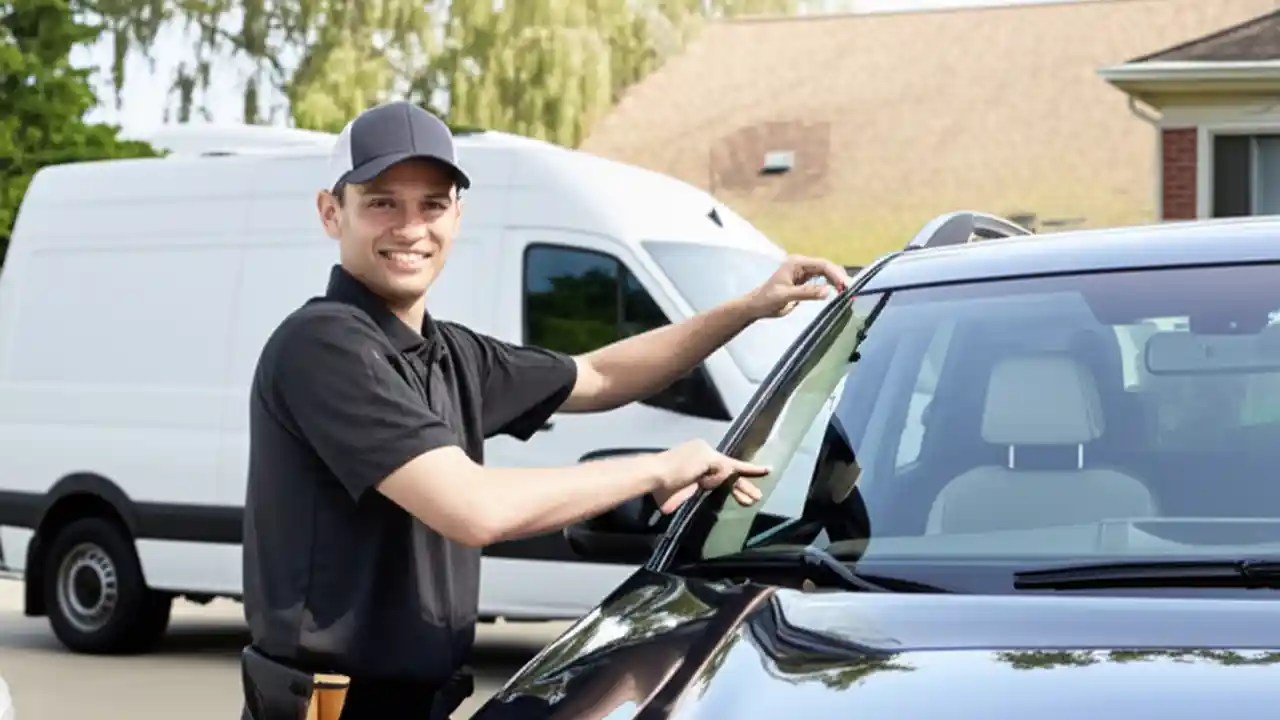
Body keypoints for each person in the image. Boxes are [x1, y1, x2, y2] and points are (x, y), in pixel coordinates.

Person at [239, 99, 849, 720]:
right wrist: (658, 467)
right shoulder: (324, 346)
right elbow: (474, 508)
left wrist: (747, 307)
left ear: (457, 215)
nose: (410, 227)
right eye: (381, 202)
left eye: (432, 204)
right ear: (330, 211)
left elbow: (601, 374)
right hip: (334, 709)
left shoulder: (453, 355)